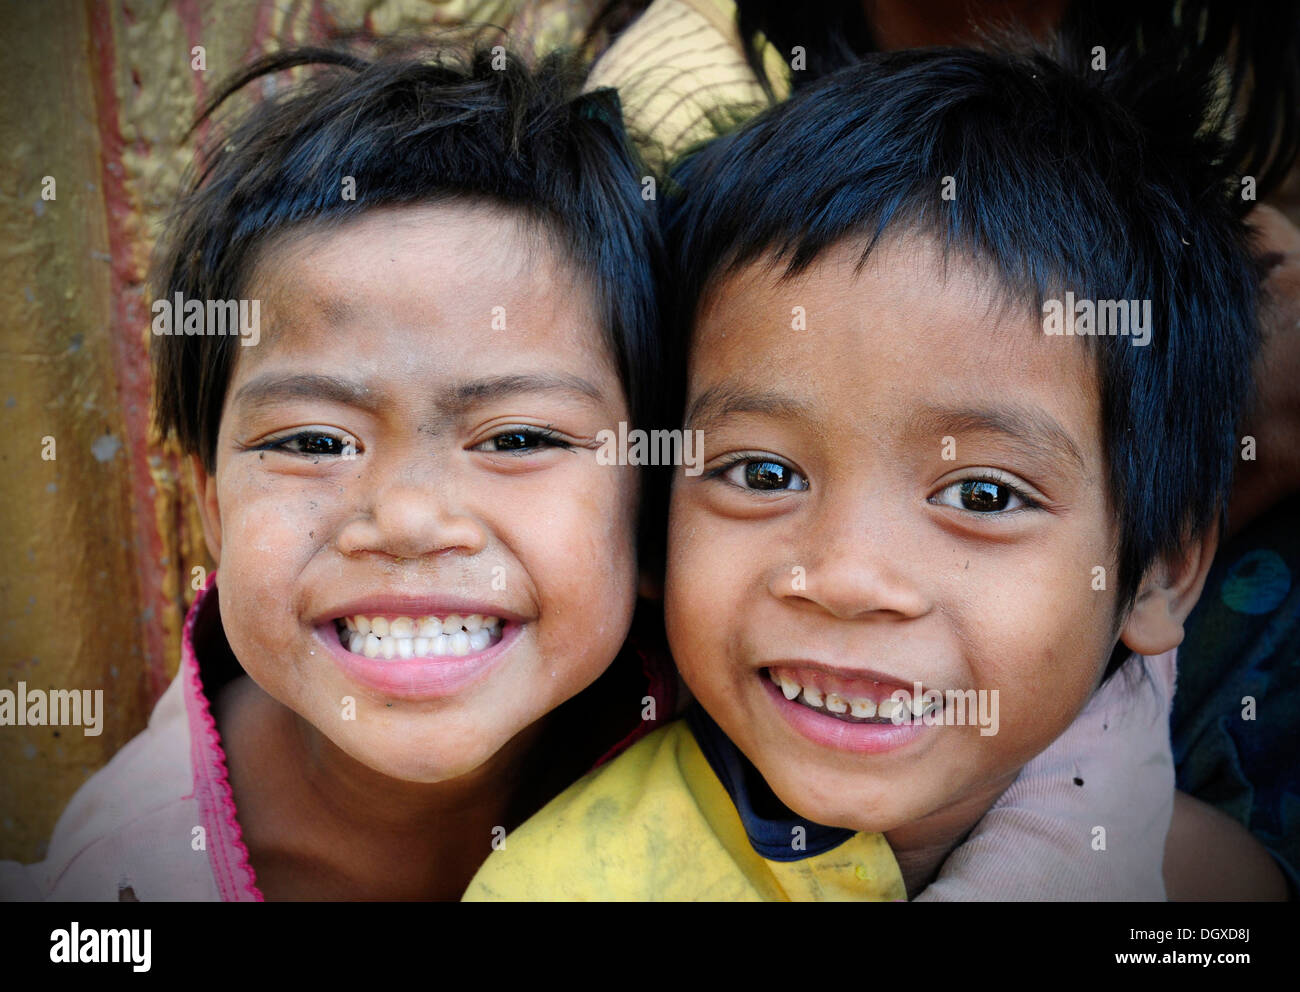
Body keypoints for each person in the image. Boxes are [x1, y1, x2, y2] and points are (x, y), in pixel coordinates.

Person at [464, 44, 1289, 900]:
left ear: (1160, 572)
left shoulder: (1200, 883)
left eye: (982, 495)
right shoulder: (563, 886)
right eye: (763, 474)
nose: (848, 579)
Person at [0, 43, 674, 900]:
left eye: (516, 439)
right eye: (315, 442)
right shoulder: (127, 881)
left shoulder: (746, 763)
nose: (407, 519)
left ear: (648, 499)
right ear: (213, 510)